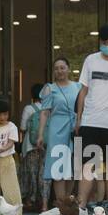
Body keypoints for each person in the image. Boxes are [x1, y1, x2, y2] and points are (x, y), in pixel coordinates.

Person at [75, 25, 108, 206]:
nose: (107, 45)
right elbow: (83, 91)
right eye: (104, 42)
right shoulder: (91, 60)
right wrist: (78, 118)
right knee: (88, 165)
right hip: (90, 121)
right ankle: (81, 205)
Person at [38, 57, 83, 207]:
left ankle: (68, 202)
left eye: (62, 67)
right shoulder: (50, 88)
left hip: (75, 127)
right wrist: (40, 134)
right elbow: (44, 112)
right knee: (58, 167)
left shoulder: (78, 87)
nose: (59, 71)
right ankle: (61, 204)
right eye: (56, 68)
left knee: (72, 166)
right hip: (56, 128)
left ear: (69, 69)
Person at [18, 83, 47, 212]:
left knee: (30, 173)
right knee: (43, 174)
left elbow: (23, 128)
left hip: (30, 146)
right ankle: (44, 202)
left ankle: (30, 200)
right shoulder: (49, 108)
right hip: (46, 145)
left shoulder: (29, 109)